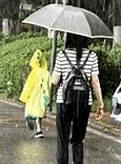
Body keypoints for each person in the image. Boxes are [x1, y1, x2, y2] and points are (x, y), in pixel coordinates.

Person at [51, 33, 104, 164]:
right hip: (84, 102)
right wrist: (100, 104)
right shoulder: (92, 56)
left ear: (69, 38)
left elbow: (54, 80)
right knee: (78, 140)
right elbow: (95, 81)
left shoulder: (62, 55)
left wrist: (51, 73)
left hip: (64, 101)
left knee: (62, 140)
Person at [19, 49, 51, 138]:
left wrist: (25, 96)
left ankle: (28, 118)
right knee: (39, 113)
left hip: (33, 95)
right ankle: (39, 130)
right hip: (42, 95)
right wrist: (47, 96)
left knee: (29, 110)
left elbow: (29, 85)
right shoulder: (46, 73)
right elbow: (48, 85)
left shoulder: (34, 72)